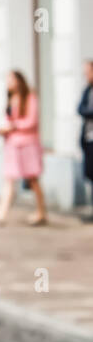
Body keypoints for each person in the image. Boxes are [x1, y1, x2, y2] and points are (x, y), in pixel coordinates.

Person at [0, 69, 48, 226]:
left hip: (27, 145)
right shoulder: (11, 99)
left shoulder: (30, 97)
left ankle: (41, 212)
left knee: (33, 180)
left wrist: (13, 126)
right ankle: (1, 212)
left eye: (10, 80)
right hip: (13, 145)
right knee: (9, 178)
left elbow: (31, 121)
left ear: (19, 81)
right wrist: (2, 129)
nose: (8, 83)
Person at [81, 60, 93, 222]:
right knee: (90, 174)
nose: (86, 75)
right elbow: (80, 108)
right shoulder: (88, 90)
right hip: (89, 137)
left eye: (88, 71)